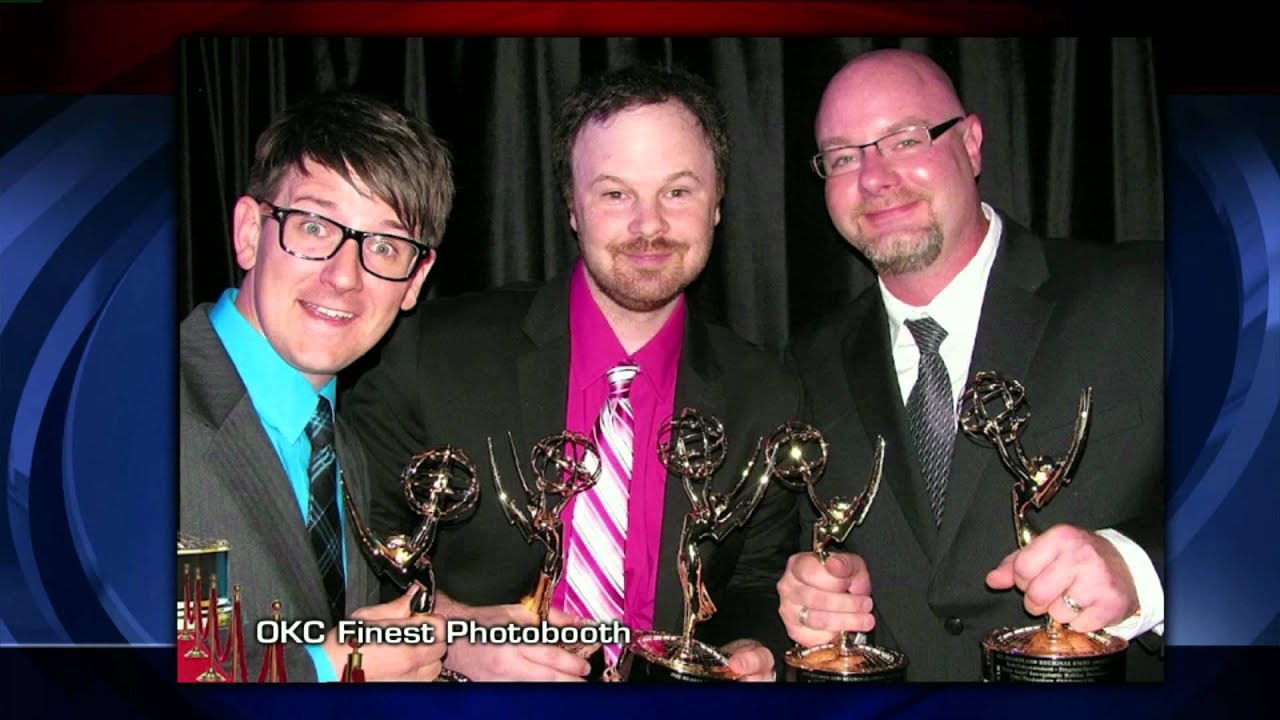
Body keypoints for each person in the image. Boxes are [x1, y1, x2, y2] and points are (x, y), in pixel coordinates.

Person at [344, 65, 801, 681]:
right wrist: (454, 638)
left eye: (678, 191)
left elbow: (756, 582)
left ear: (717, 203)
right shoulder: (434, 352)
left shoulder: (766, 393)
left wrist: (757, 650)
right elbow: (347, 554)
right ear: (572, 207)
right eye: (615, 193)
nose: (649, 225)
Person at [778, 49, 1165, 681]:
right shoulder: (806, 363)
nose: (874, 178)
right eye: (844, 157)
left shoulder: (1147, 295)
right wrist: (805, 592)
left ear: (973, 143)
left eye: (904, 139)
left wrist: (1141, 568)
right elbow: (783, 561)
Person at [179, 90, 454, 681]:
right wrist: (330, 672)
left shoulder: (340, 449)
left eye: (384, 245)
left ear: (414, 280)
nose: (343, 275)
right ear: (250, 231)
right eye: (314, 226)